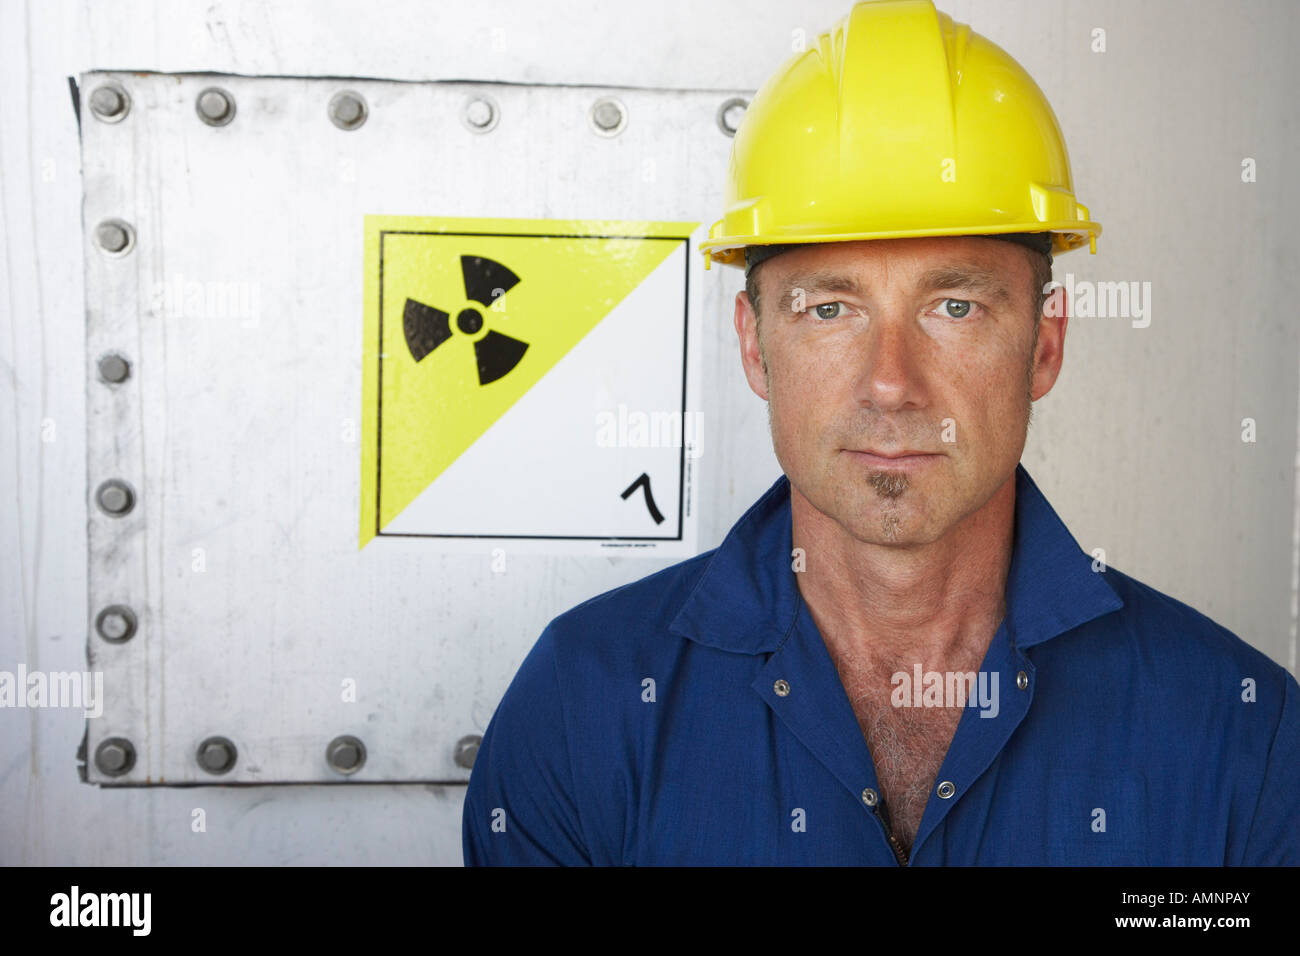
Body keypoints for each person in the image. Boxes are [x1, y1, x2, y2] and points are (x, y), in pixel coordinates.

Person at [462, 0, 1300, 865]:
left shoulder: (1244, 737)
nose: (891, 383)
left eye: (955, 305)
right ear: (755, 347)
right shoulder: (583, 709)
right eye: (830, 308)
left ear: (1044, 345)